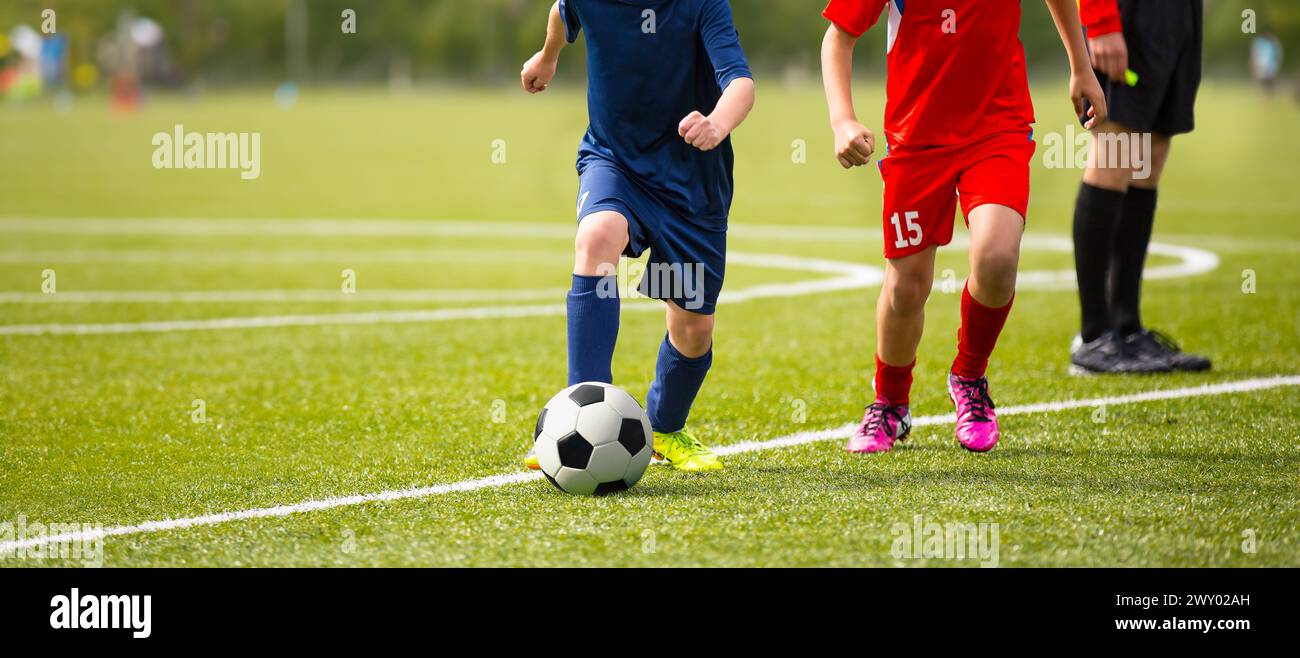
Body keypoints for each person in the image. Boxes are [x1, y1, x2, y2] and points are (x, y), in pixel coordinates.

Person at [821, 0, 1107, 453]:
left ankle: (969, 377)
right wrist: (842, 120)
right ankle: (890, 403)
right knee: (906, 288)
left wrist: (1081, 66)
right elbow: (839, 36)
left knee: (996, 257)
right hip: (916, 140)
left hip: (998, 128)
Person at [519, 0, 755, 471]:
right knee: (598, 235)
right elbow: (562, 14)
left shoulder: (702, 5)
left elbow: (740, 82)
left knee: (691, 328)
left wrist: (717, 123)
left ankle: (665, 429)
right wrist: (547, 57)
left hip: (691, 185)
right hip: (616, 162)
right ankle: (577, 419)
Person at [1069, 0, 1211, 374]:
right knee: (1117, 148)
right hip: (1127, 13)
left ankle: (1127, 328)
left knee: (1152, 153)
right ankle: (1094, 336)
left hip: (1180, 13)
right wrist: (1099, 20)